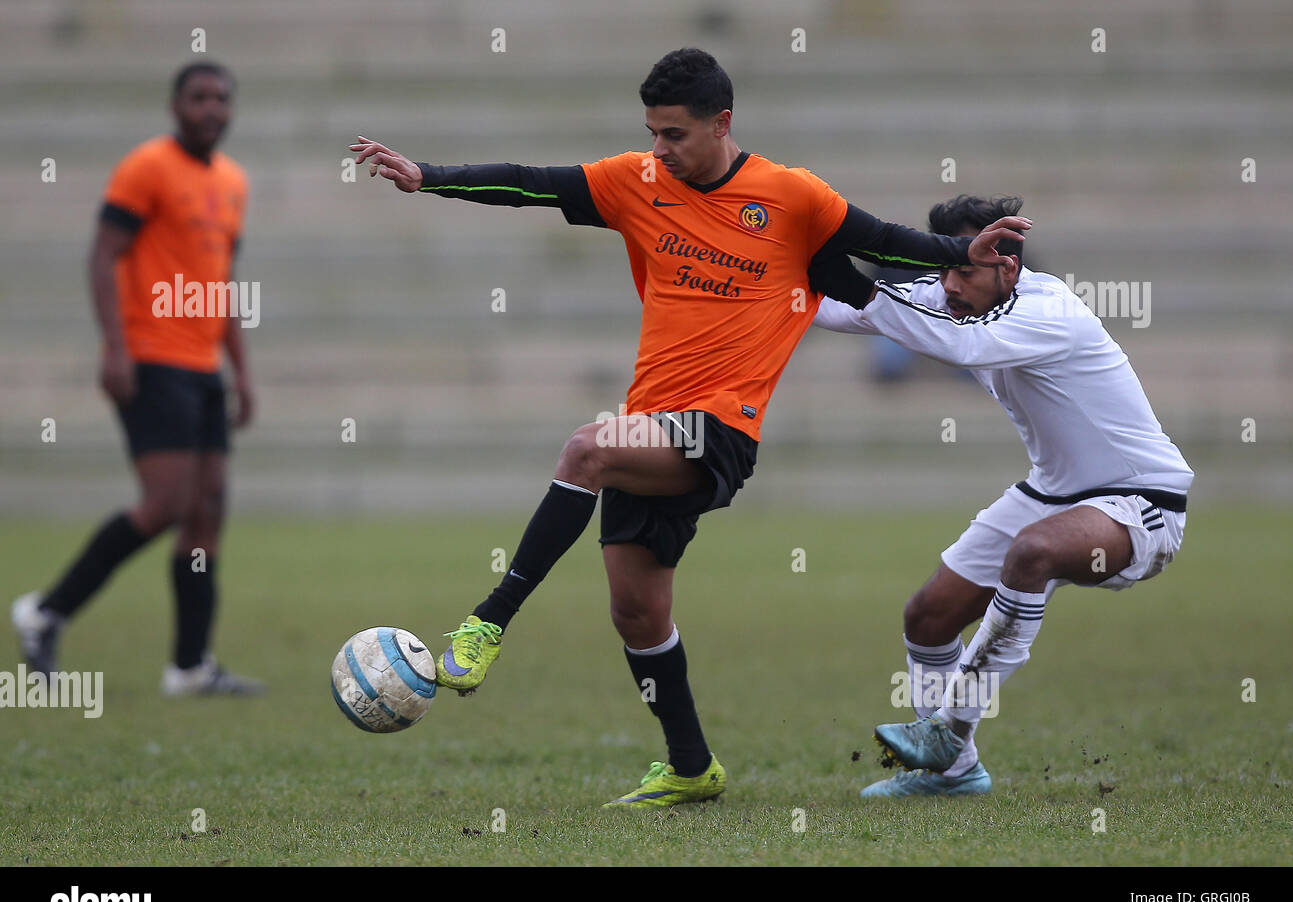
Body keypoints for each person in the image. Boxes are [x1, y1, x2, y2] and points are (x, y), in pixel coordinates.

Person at [351, 50, 1028, 807]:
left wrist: (956, 252)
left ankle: (487, 622)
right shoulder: (636, 182)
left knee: (587, 447)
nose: (659, 148)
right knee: (637, 612)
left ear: (722, 124)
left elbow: (883, 239)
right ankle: (689, 766)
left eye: (673, 134)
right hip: (655, 421)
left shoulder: (791, 196)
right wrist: (429, 176)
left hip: (723, 428)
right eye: (650, 132)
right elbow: (530, 184)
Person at [809, 194, 1193, 796]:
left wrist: (857, 286)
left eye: (965, 267)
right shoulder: (963, 291)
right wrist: (763, 277)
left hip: (1140, 501)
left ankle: (950, 727)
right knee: (928, 618)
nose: (950, 283)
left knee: (1032, 553)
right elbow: (844, 313)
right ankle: (954, 775)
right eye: (946, 266)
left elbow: (960, 347)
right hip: (1051, 494)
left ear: (1006, 266)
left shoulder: (1048, 309)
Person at [11, 62, 263, 696]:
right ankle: (45, 612)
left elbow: (220, 285)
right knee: (167, 504)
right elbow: (102, 255)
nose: (211, 109)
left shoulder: (233, 181)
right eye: (199, 97)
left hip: (204, 368)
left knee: (207, 511)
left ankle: (190, 666)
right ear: (176, 105)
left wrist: (242, 369)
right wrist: (114, 348)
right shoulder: (146, 167)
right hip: (152, 358)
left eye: (221, 99)